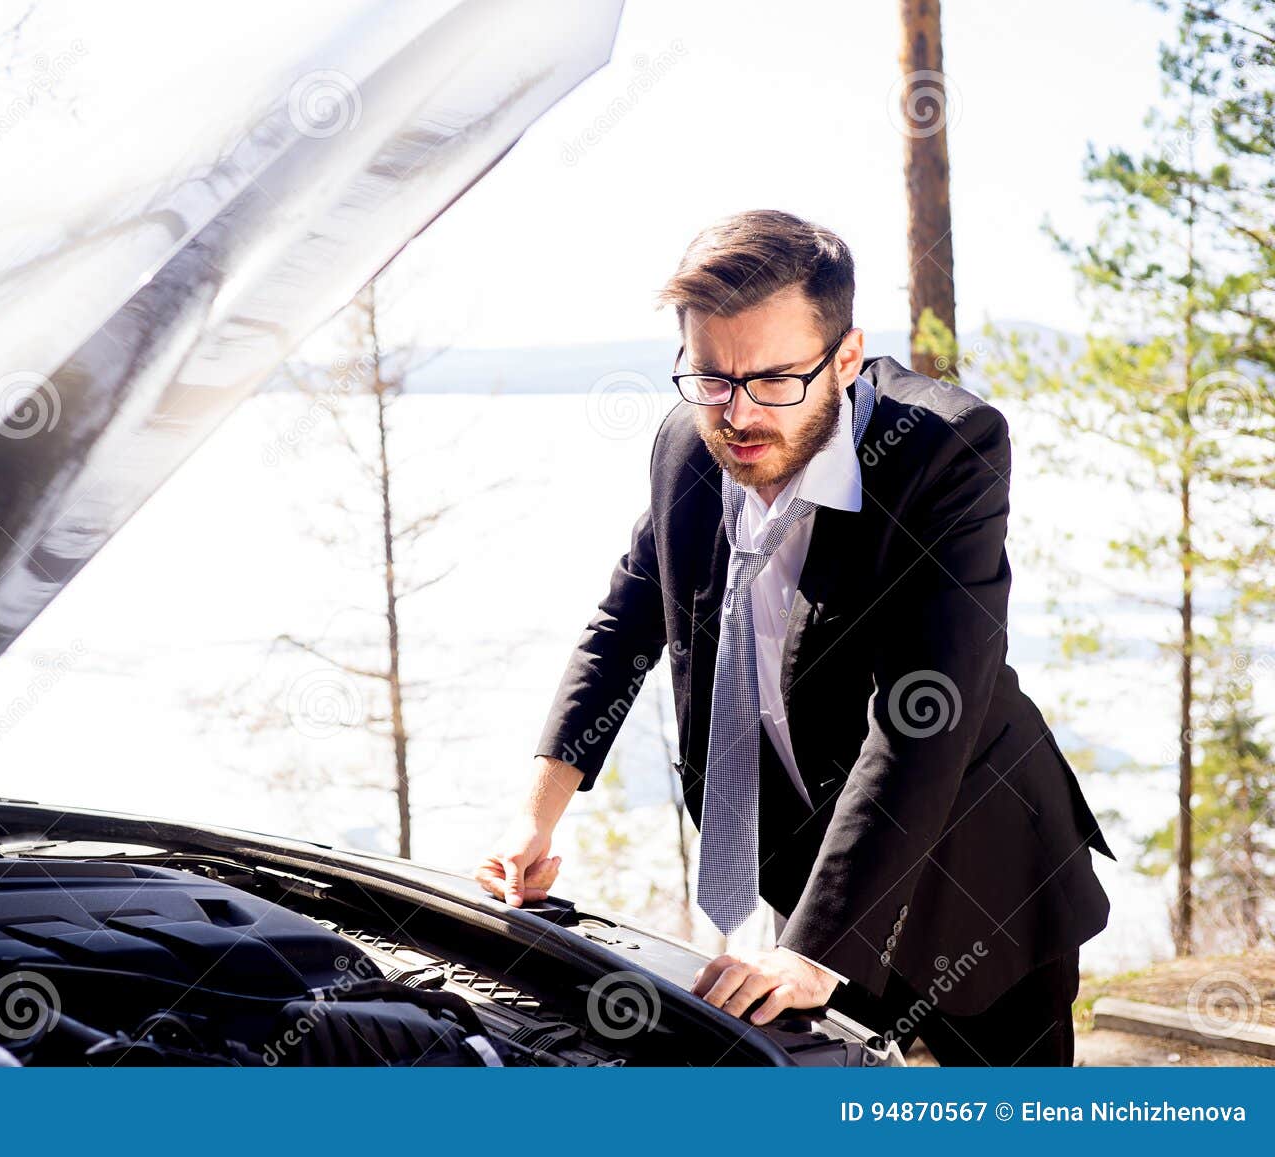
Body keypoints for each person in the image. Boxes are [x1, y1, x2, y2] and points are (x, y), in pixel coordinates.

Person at [476, 209, 1113, 1066]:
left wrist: (815, 949)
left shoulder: (945, 452)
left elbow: (922, 719)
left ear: (845, 357)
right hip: (813, 876)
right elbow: (627, 620)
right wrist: (535, 817)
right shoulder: (687, 443)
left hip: (977, 876)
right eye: (711, 377)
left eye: (774, 380)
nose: (737, 415)